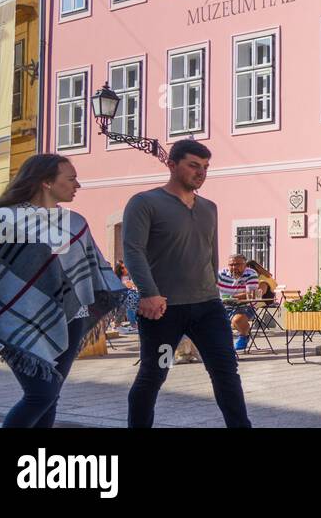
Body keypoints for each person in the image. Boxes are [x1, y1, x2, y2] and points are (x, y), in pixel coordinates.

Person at [0, 154, 126, 427]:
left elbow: (96, 269)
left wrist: (135, 297)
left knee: (51, 397)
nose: (78, 185)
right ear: (46, 182)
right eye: (71, 178)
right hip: (19, 318)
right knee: (41, 394)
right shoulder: (4, 221)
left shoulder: (76, 223)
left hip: (70, 319)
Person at [123, 139, 251, 428]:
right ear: (171, 164)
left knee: (226, 373)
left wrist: (215, 292)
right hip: (163, 310)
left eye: (205, 167)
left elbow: (211, 253)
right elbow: (133, 250)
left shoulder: (209, 208)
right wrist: (149, 293)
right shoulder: (145, 203)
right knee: (154, 374)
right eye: (193, 165)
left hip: (207, 308)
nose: (201, 172)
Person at [217, 253, 260, 350]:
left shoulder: (251, 274)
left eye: (237, 264)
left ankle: (244, 335)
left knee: (237, 320)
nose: (234, 267)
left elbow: (251, 294)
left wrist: (231, 297)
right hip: (223, 305)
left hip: (245, 305)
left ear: (245, 264)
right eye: (231, 265)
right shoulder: (221, 274)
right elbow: (210, 288)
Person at [114, 261, 140, 333]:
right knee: (129, 301)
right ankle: (131, 324)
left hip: (129, 295)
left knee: (133, 300)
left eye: (125, 267)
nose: (125, 269)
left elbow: (132, 285)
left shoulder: (128, 276)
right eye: (122, 268)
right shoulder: (116, 278)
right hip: (120, 296)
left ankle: (133, 323)